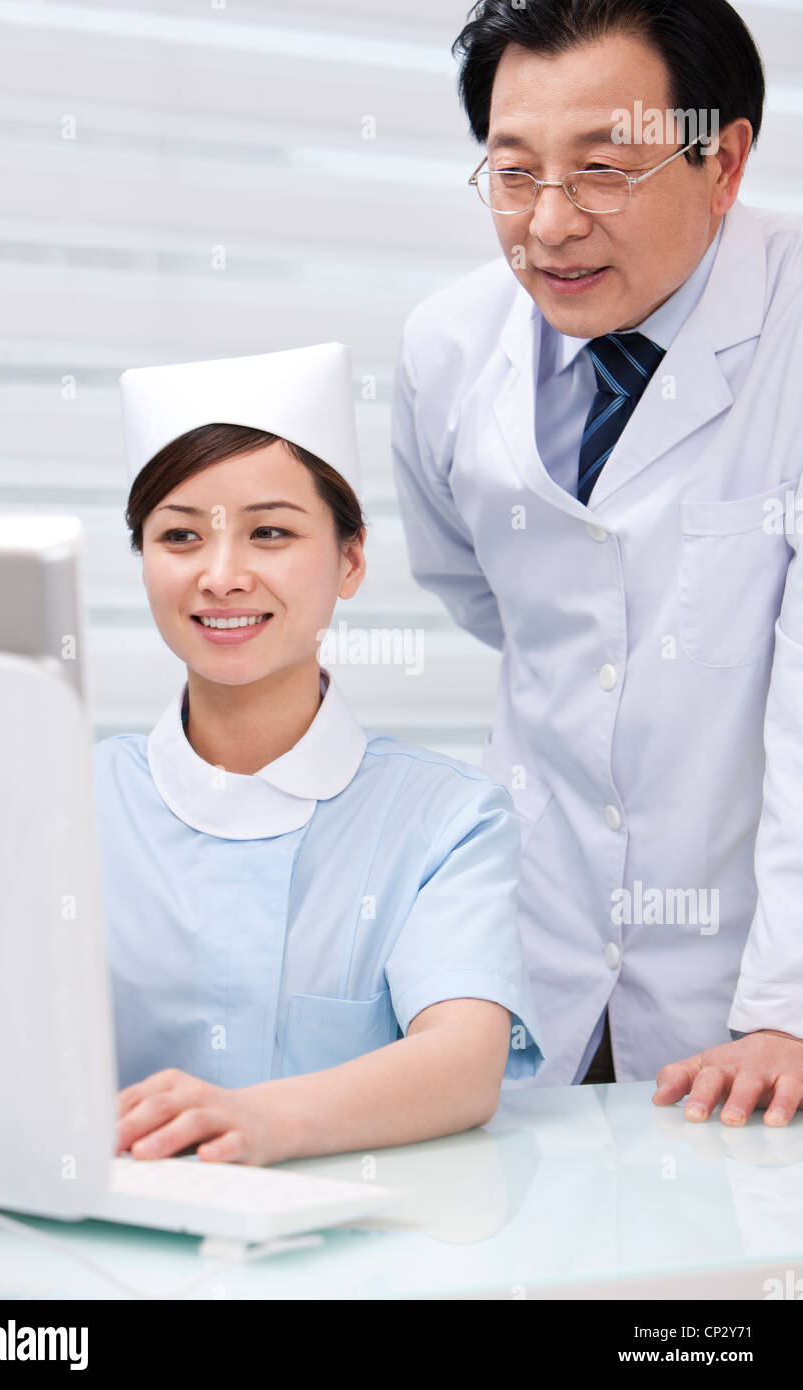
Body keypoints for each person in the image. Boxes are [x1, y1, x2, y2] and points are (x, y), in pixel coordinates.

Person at [391, 0, 803, 1125]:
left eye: (604, 172)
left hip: (754, 992)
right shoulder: (447, 346)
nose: (549, 224)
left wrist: (786, 1007)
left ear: (722, 163)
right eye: (513, 173)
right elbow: (482, 592)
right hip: (538, 955)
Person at [97, 341, 542, 1167]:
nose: (222, 576)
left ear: (351, 559)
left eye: (269, 532)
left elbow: (463, 1063)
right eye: (180, 536)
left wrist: (258, 1121)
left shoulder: (447, 820)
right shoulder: (70, 803)